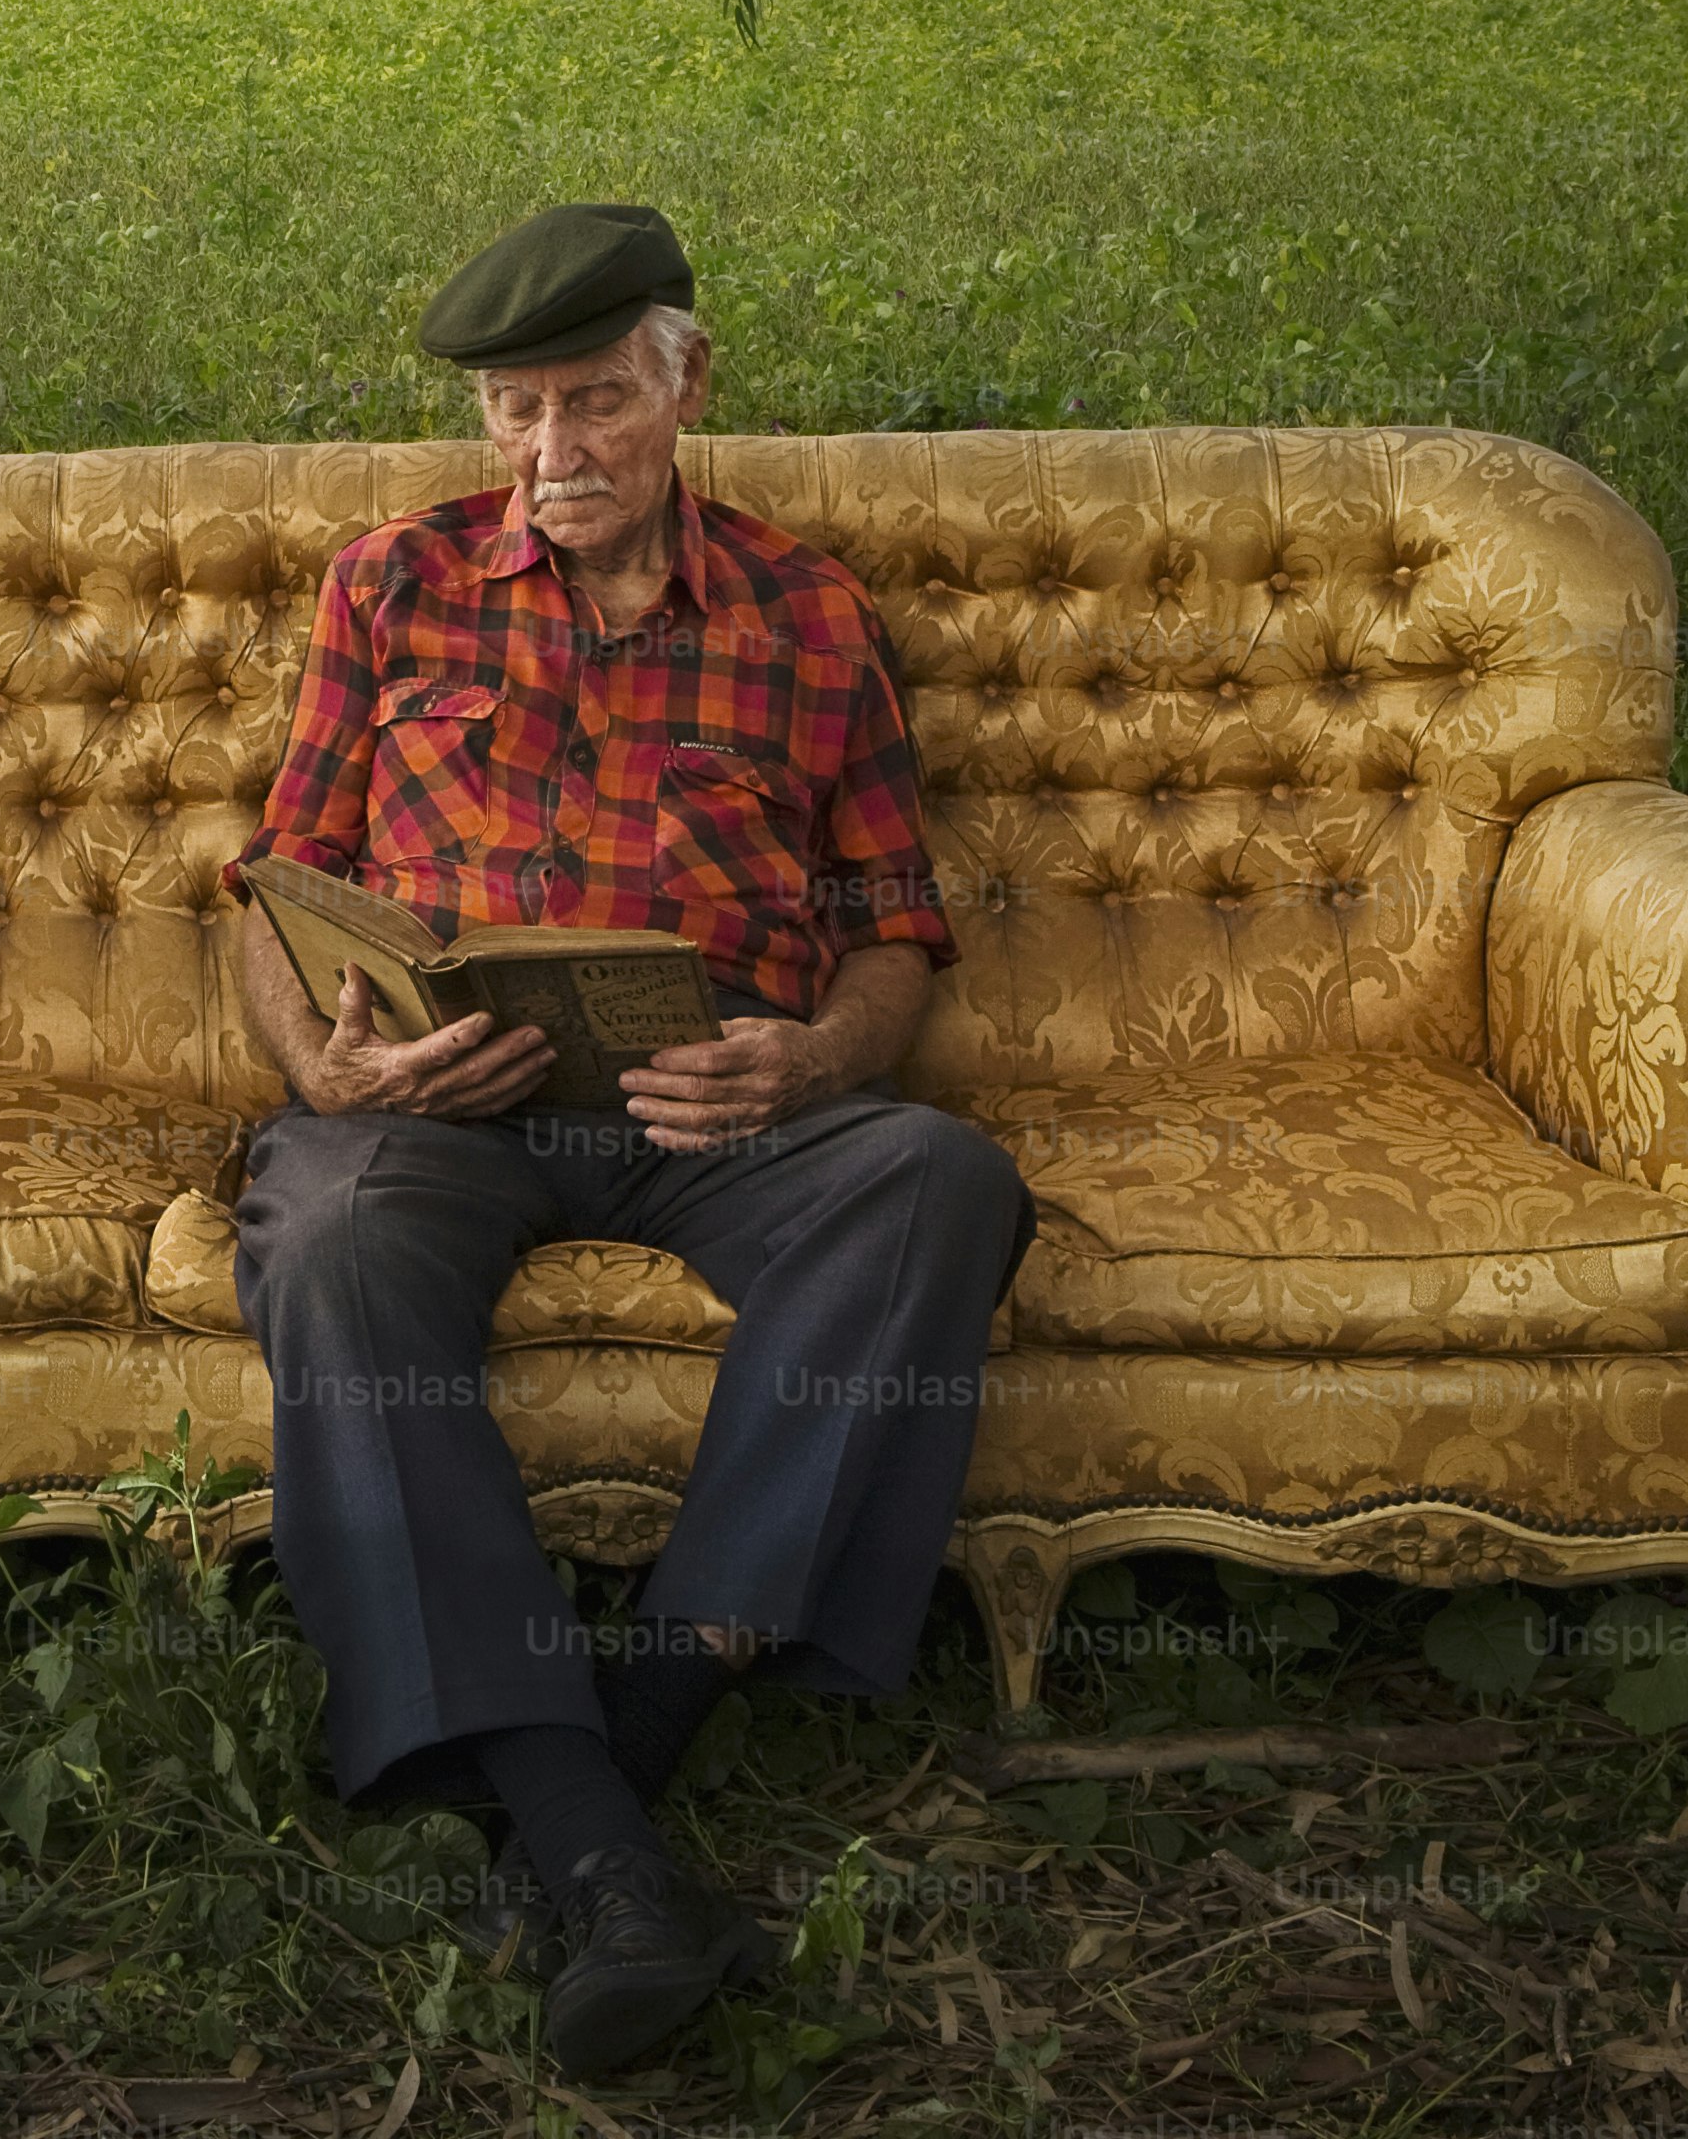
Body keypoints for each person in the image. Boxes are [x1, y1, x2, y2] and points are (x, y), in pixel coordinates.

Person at [229, 201, 1034, 2076]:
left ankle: (617, 1757)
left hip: (709, 1109)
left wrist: (816, 1062)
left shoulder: (808, 614)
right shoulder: (391, 587)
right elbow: (275, 887)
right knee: (331, 1237)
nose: (553, 457)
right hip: (442, 1102)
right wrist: (328, 1068)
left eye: (595, 404)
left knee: (943, 1182)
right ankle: (605, 1837)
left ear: (686, 388)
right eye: (518, 414)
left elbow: (897, 920)